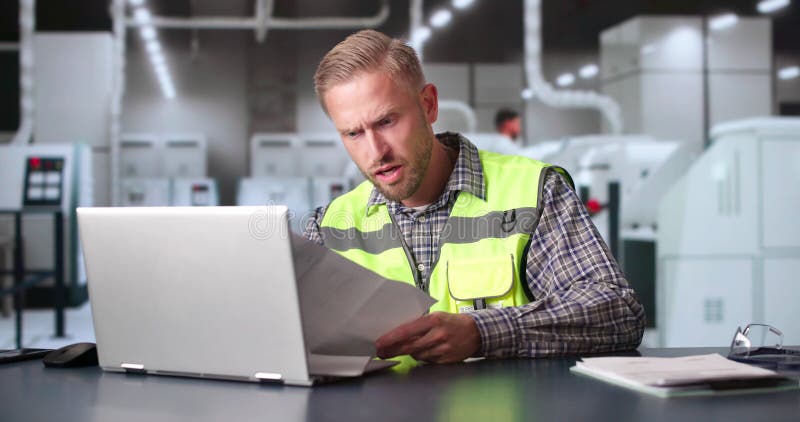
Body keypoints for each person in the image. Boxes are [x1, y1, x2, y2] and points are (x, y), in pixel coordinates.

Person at [304, 29, 645, 364]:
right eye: (353, 133)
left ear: (428, 105)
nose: (376, 151)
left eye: (386, 121)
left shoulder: (533, 192)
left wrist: (484, 333)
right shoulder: (329, 228)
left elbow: (616, 310)